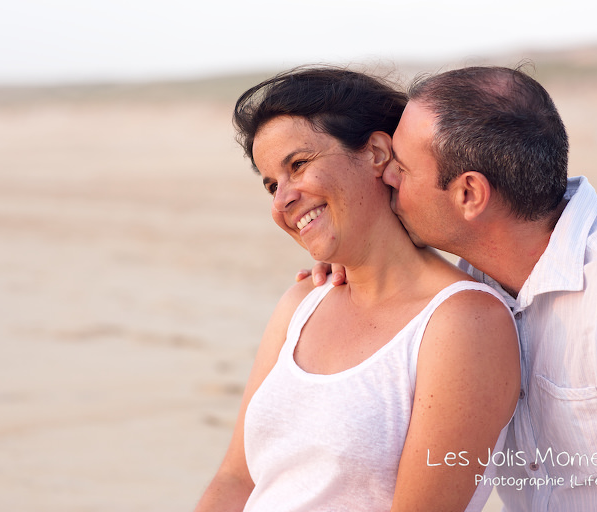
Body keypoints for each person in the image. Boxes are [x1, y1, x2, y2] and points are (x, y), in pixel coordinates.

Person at [307, 65, 597, 511]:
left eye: (401, 167)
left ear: (469, 195)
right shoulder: (481, 267)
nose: (387, 178)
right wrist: (355, 256)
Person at [194, 67, 520, 512]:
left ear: (376, 152)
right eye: (272, 184)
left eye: (298, 165)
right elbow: (236, 480)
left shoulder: (464, 322)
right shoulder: (301, 304)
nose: (281, 200)